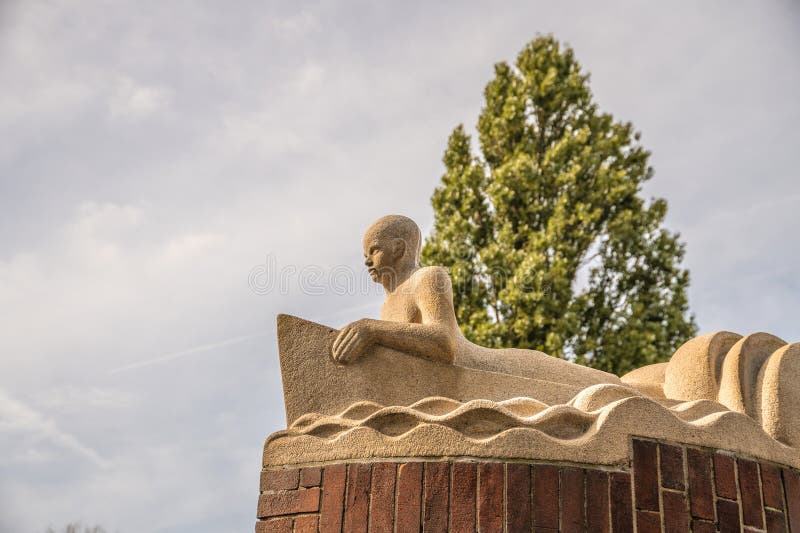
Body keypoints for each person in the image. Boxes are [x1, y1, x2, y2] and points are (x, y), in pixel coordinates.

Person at [332, 214, 622, 391]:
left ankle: (635, 388)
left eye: (374, 250)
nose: (367, 261)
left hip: (496, 368)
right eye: (366, 254)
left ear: (398, 248)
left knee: (606, 386)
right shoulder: (386, 307)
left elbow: (444, 344)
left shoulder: (428, 278)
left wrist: (372, 329)